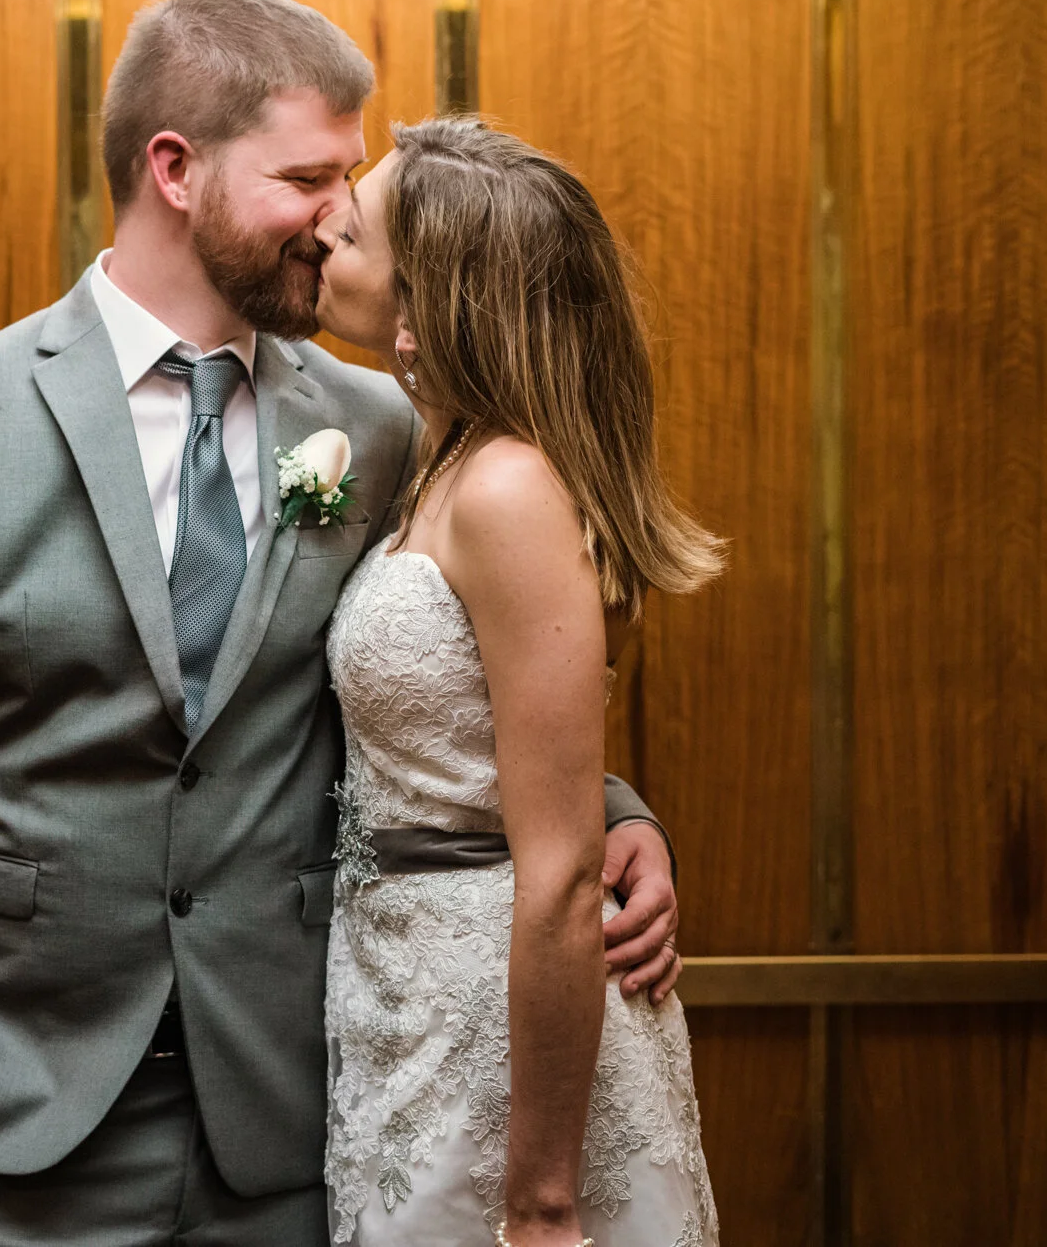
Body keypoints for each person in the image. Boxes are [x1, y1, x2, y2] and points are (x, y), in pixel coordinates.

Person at [0, 0, 683, 1247]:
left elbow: (446, 677)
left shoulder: (374, 425)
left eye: (350, 179)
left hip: (290, 1122)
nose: (338, 219)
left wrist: (616, 815)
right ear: (174, 168)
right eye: (308, 177)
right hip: (9, 1127)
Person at [313, 117, 724, 1247]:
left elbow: (553, 873)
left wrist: (540, 1202)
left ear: (421, 305)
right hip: (403, 992)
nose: (318, 228)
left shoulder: (504, 489)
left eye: (346, 230)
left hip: (496, 1021)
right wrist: (621, 799)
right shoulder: (433, 457)